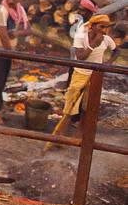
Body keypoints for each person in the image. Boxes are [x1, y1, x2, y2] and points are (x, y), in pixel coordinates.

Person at [49, 14, 118, 143]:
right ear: (92, 26)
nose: (104, 30)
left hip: (95, 75)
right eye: (101, 27)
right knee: (71, 105)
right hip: (79, 73)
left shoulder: (107, 39)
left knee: (87, 106)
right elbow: (81, 57)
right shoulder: (80, 37)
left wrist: (108, 63)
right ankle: (60, 135)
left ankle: (79, 135)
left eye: (106, 27)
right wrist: (93, 45)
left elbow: (116, 51)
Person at [0, 0, 29, 123]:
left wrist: (17, 33)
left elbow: (29, 30)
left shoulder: (20, 10)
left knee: (1, 81)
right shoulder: (0, 11)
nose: (11, 1)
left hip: (9, 51)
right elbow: (3, 35)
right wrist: (13, 56)